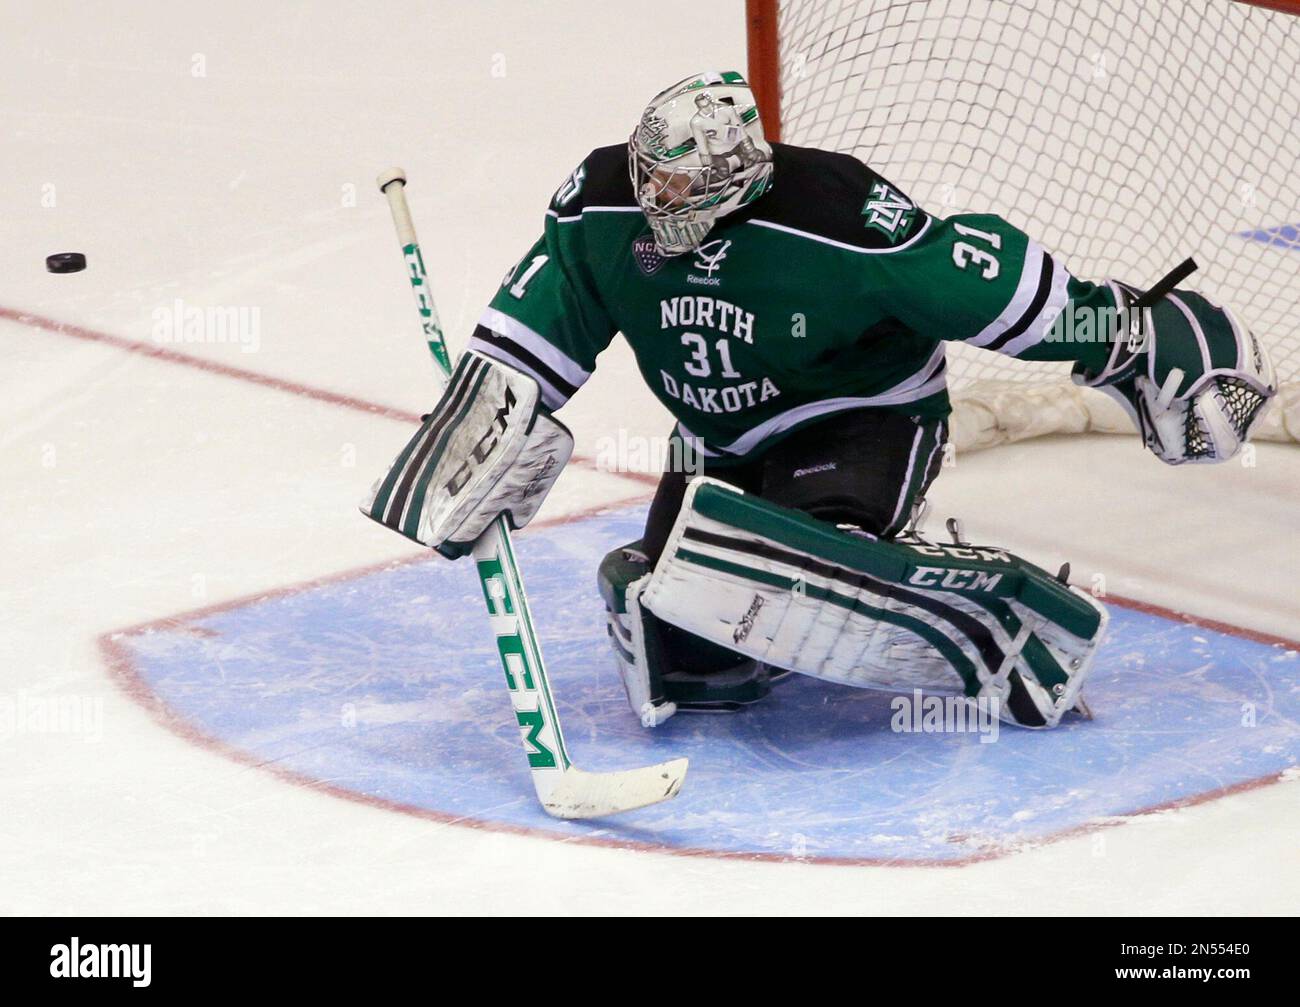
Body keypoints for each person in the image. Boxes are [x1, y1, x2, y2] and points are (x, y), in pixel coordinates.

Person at [364, 71, 1276, 730]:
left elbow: (980, 281)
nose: (657, 199)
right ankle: (817, 594)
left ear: (734, 176)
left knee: (809, 561)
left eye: (679, 184)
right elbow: (546, 313)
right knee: (683, 633)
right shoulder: (601, 208)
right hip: (716, 442)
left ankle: (1003, 614)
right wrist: (493, 412)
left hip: (864, 415)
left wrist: (1120, 333)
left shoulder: (836, 214)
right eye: (652, 177)